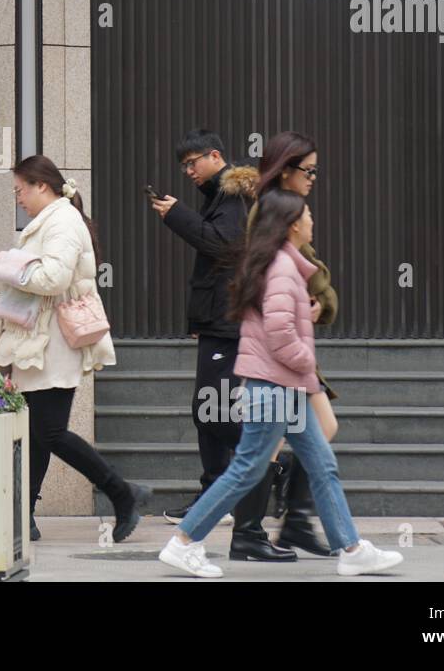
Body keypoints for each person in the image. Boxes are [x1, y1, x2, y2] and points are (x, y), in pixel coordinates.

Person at [157, 191, 404, 578]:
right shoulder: (282, 269)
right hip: (273, 387)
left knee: (322, 466)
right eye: (307, 215)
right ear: (291, 225)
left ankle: (352, 548)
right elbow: (279, 332)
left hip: (285, 386)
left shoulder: (282, 265)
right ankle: (184, 542)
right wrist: (308, 361)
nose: (312, 221)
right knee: (247, 469)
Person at [0, 154, 152, 543]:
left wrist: (6, 267)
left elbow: (53, 277)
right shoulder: (53, 220)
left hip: (53, 342)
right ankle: (23, 515)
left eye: (20, 190)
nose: (18, 198)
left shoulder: (62, 221)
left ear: (41, 185)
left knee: (51, 431)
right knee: (39, 431)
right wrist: (5, 263)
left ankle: (123, 493)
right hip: (41, 340)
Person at [150, 129, 293, 562]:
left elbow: (224, 247)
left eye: (194, 162)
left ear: (217, 156)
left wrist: (177, 215)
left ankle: (274, 463)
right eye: (184, 167)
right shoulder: (219, 195)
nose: (189, 171)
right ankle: (217, 490)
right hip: (216, 322)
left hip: (228, 322)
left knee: (209, 410)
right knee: (209, 409)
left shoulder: (232, 197)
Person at [247, 131, 339, 557]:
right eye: (308, 170)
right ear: (286, 169)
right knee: (265, 447)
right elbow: (268, 277)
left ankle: (294, 522)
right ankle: (249, 531)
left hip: (286, 340)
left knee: (316, 430)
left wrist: (318, 299)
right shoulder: (270, 212)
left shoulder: (287, 210)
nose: (314, 178)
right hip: (275, 346)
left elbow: (310, 273)